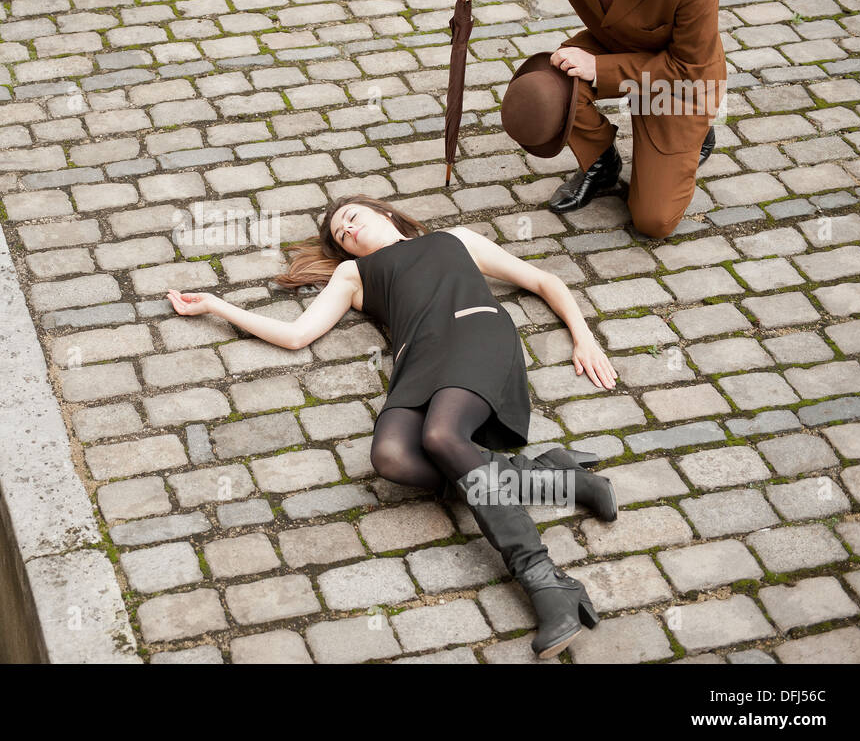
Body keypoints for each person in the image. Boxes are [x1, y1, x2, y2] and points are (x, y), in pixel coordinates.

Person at [167, 195, 620, 659]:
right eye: (342, 236)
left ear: (383, 212)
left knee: (442, 437)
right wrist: (218, 307)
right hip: (416, 363)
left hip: (476, 334)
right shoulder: (353, 275)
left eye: (353, 217)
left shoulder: (455, 239)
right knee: (390, 457)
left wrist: (583, 339)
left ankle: (544, 581)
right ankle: (555, 480)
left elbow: (542, 280)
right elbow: (296, 335)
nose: (350, 231)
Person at [446, 0, 726, 238]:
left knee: (654, 221)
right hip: (613, 43)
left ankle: (696, 131)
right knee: (549, 87)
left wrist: (600, 69)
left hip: (677, 79)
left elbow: (690, 67)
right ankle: (601, 163)